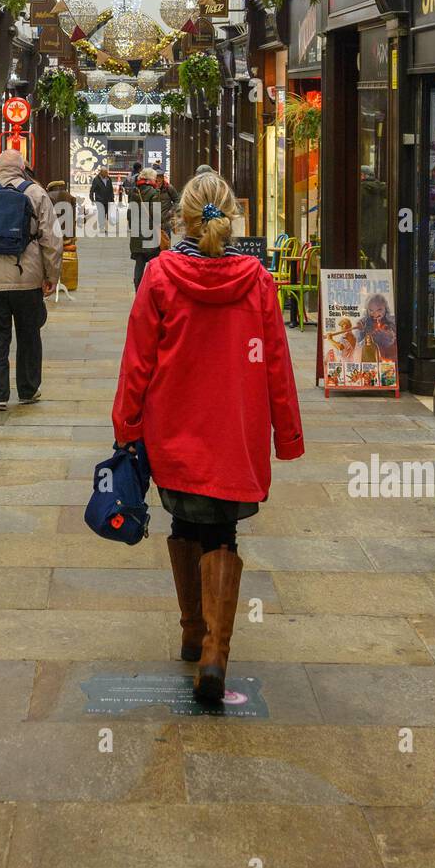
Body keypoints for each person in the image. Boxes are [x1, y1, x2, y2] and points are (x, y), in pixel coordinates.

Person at [112, 171, 304, 703]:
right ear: (232, 216)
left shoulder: (159, 275)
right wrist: (285, 433)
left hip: (174, 431)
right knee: (224, 534)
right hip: (235, 434)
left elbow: (138, 362)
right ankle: (217, 651)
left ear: (183, 219)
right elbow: (277, 366)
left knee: (182, 520)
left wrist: (126, 426)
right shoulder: (258, 280)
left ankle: (193, 631)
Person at [0, 149, 62, 410]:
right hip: (27, 279)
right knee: (29, 335)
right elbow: (51, 240)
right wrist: (51, 275)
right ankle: (28, 391)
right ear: (23, 168)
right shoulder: (36, 193)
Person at [126, 166, 178, 290]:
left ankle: (138, 291)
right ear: (150, 179)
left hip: (137, 233)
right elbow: (156, 215)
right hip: (150, 235)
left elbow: (129, 214)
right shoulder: (154, 193)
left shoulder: (134, 191)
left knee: (139, 264)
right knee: (156, 263)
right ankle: (155, 289)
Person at [89, 166, 114, 233]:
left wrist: (112, 199)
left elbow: (111, 189)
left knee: (105, 213)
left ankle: (103, 227)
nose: (107, 173)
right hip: (99, 200)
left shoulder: (108, 179)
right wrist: (92, 199)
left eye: (107, 172)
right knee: (101, 213)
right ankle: (101, 228)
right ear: (101, 172)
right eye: (105, 172)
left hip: (107, 199)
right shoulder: (96, 180)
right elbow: (92, 190)